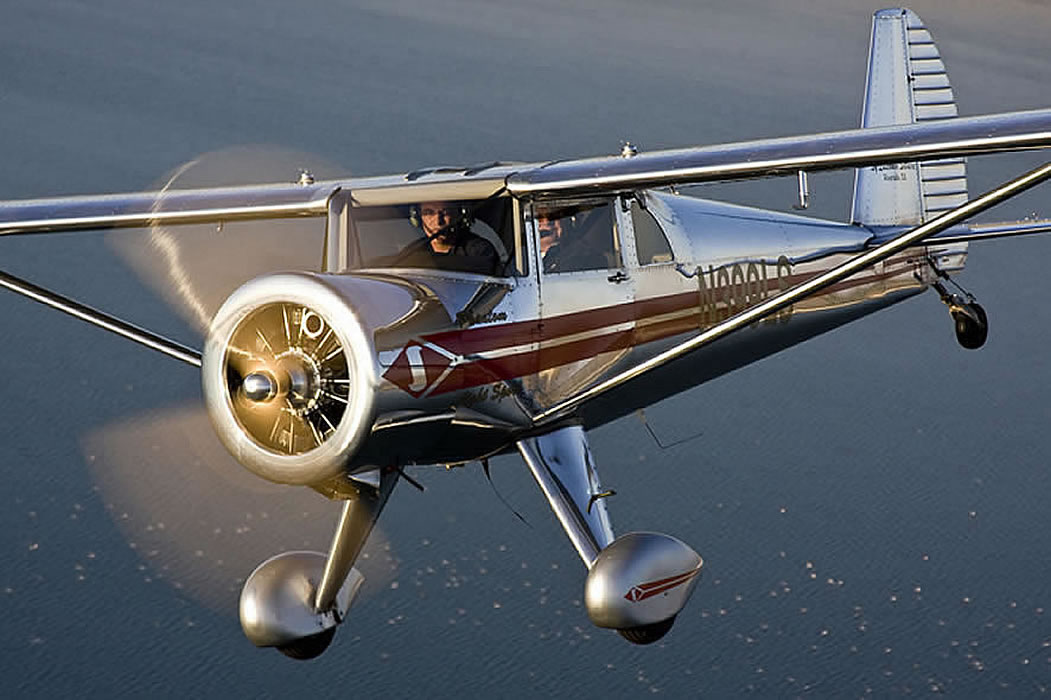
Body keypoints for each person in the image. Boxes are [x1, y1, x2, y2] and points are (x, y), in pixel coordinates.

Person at [417, 201, 499, 272]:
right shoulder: (413, 252)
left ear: (459, 215)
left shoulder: (480, 251)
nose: (438, 221)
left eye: (446, 212)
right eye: (428, 213)